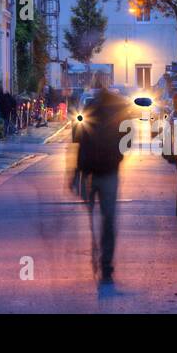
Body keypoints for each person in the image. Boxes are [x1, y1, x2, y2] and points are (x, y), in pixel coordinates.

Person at [71, 84, 136, 286]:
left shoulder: (90, 109)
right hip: (109, 172)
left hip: (89, 172)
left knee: (93, 217)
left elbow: (78, 141)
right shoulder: (120, 112)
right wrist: (117, 158)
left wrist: (77, 173)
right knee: (108, 220)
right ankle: (106, 265)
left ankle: (97, 254)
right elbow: (127, 142)